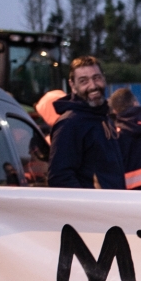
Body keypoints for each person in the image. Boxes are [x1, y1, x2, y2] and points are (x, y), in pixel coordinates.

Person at [48, 56, 125, 189]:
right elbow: (59, 178)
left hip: (112, 201)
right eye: (84, 81)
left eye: (96, 78)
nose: (93, 86)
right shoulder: (70, 124)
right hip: (94, 203)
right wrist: (89, 200)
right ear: (73, 85)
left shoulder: (104, 118)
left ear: (104, 78)